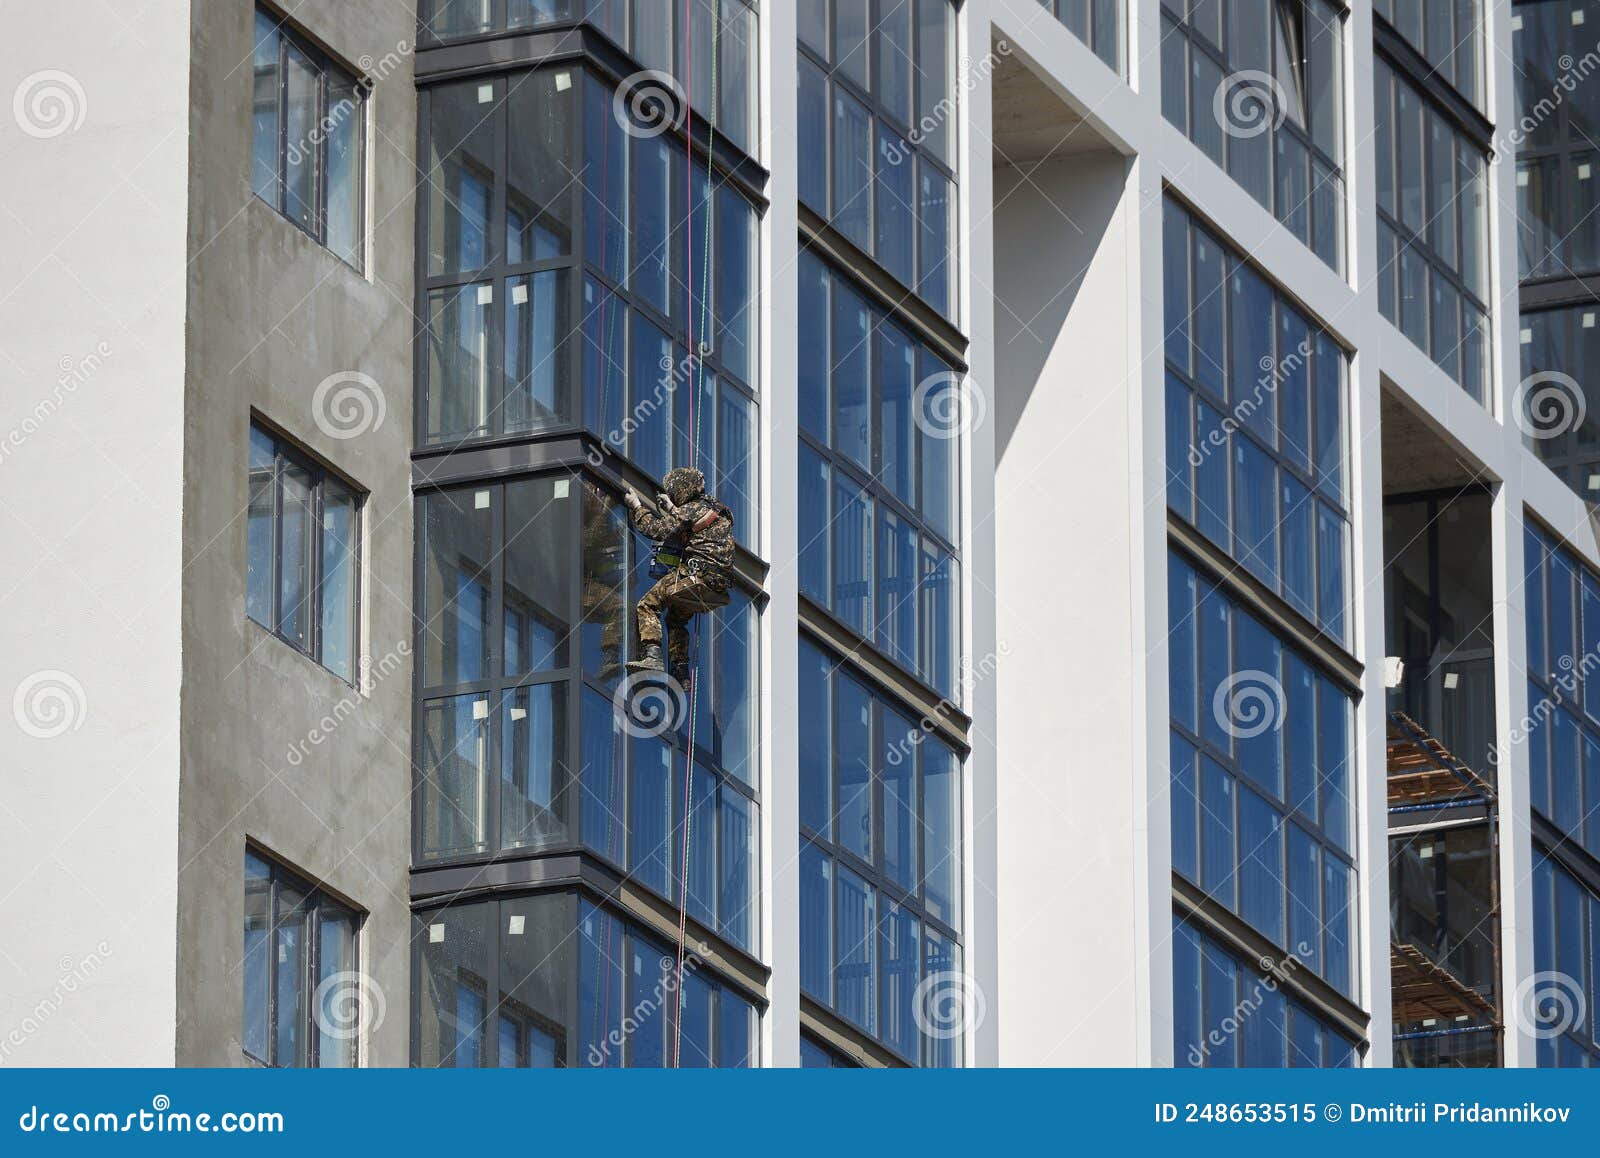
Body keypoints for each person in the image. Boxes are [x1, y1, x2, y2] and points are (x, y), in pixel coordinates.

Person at [623, 467, 734, 679]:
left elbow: (656, 529)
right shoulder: (718, 510)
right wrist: (673, 508)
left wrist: (637, 506)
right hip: (717, 583)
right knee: (676, 620)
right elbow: (695, 526)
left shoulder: (691, 509)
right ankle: (680, 671)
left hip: (695, 575)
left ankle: (653, 656)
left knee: (648, 604)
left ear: (681, 489)